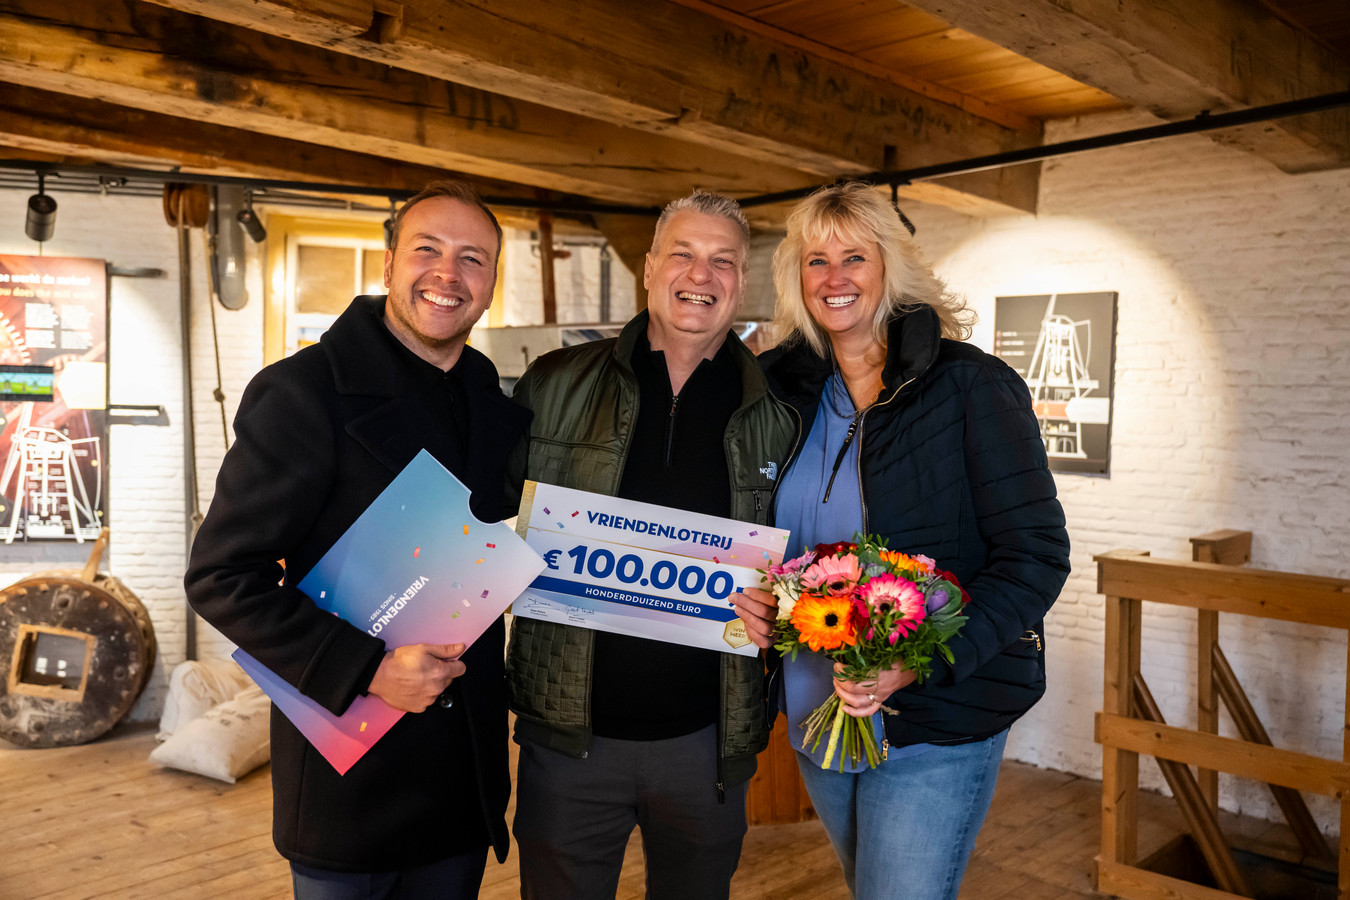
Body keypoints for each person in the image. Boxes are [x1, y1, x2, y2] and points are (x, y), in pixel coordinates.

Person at [185, 180, 529, 899]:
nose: (448, 274)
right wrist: (366, 669)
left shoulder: (488, 395)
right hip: (352, 778)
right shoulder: (303, 392)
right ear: (387, 263)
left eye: (473, 258)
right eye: (427, 249)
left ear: (492, 283)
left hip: (459, 778)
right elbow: (221, 575)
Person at [733, 182, 1071, 900]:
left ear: (891, 268)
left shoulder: (971, 388)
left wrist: (918, 666)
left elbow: (1036, 555)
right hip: (815, 705)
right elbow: (754, 528)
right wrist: (750, 594)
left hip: (936, 717)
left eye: (855, 256)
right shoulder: (777, 394)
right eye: (815, 259)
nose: (834, 278)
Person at [505, 190, 794, 899]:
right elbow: (479, 520)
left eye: (723, 260)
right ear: (649, 267)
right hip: (568, 739)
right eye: (684, 254)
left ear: (741, 283)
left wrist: (784, 608)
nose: (703, 273)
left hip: (706, 746)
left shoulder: (779, 416)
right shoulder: (554, 384)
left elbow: (810, 566)